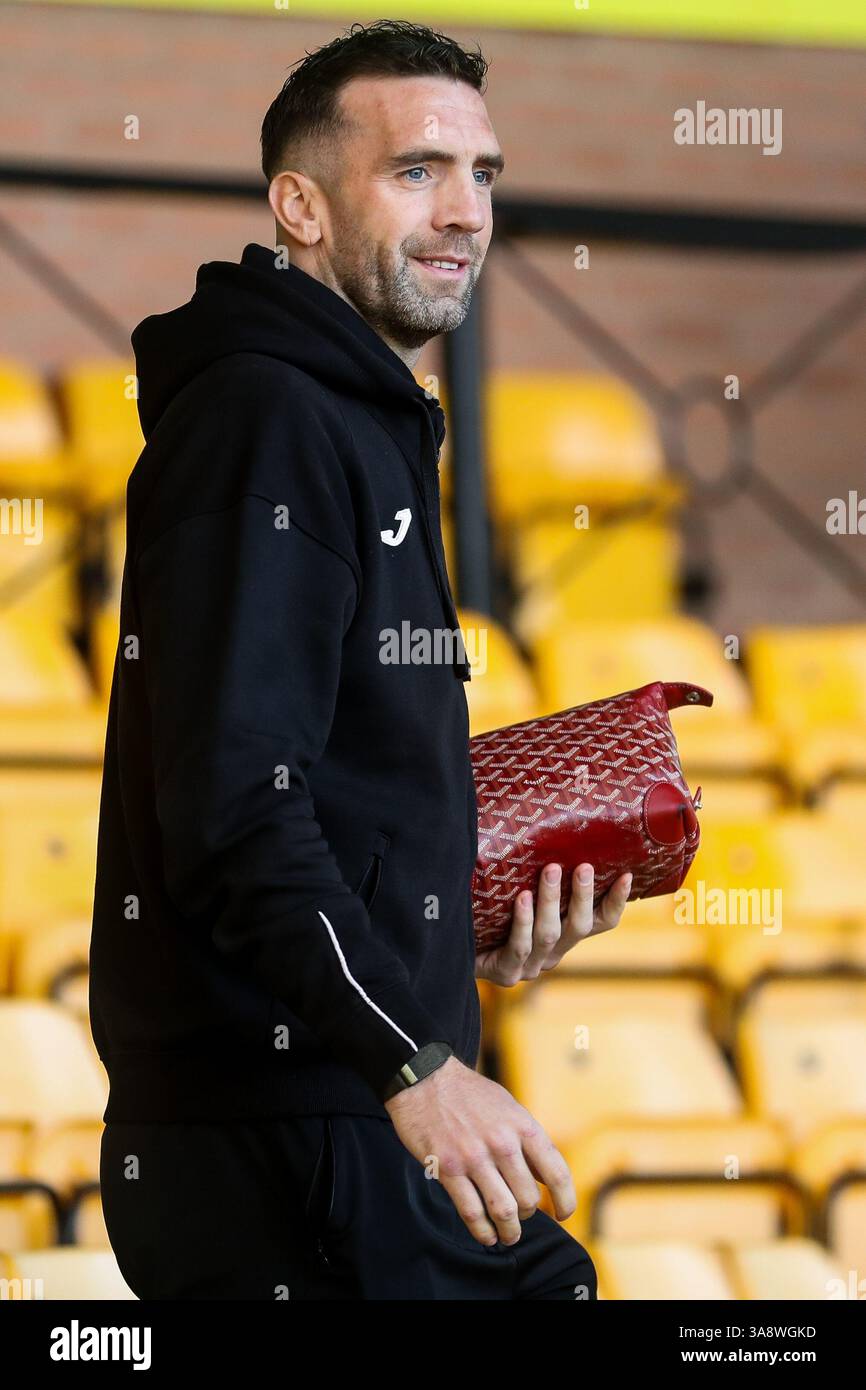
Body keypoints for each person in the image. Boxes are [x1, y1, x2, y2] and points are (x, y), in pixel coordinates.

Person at [91, 17, 631, 1301]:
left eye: (481, 175)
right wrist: (412, 1059)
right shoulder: (265, 417)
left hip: (323, 1113)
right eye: (415, 172)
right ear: (301, 204)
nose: (463, 212)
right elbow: (234, 805)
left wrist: (454, 918)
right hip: (295, 1126)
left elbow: (319, 784)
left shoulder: (352, 414)